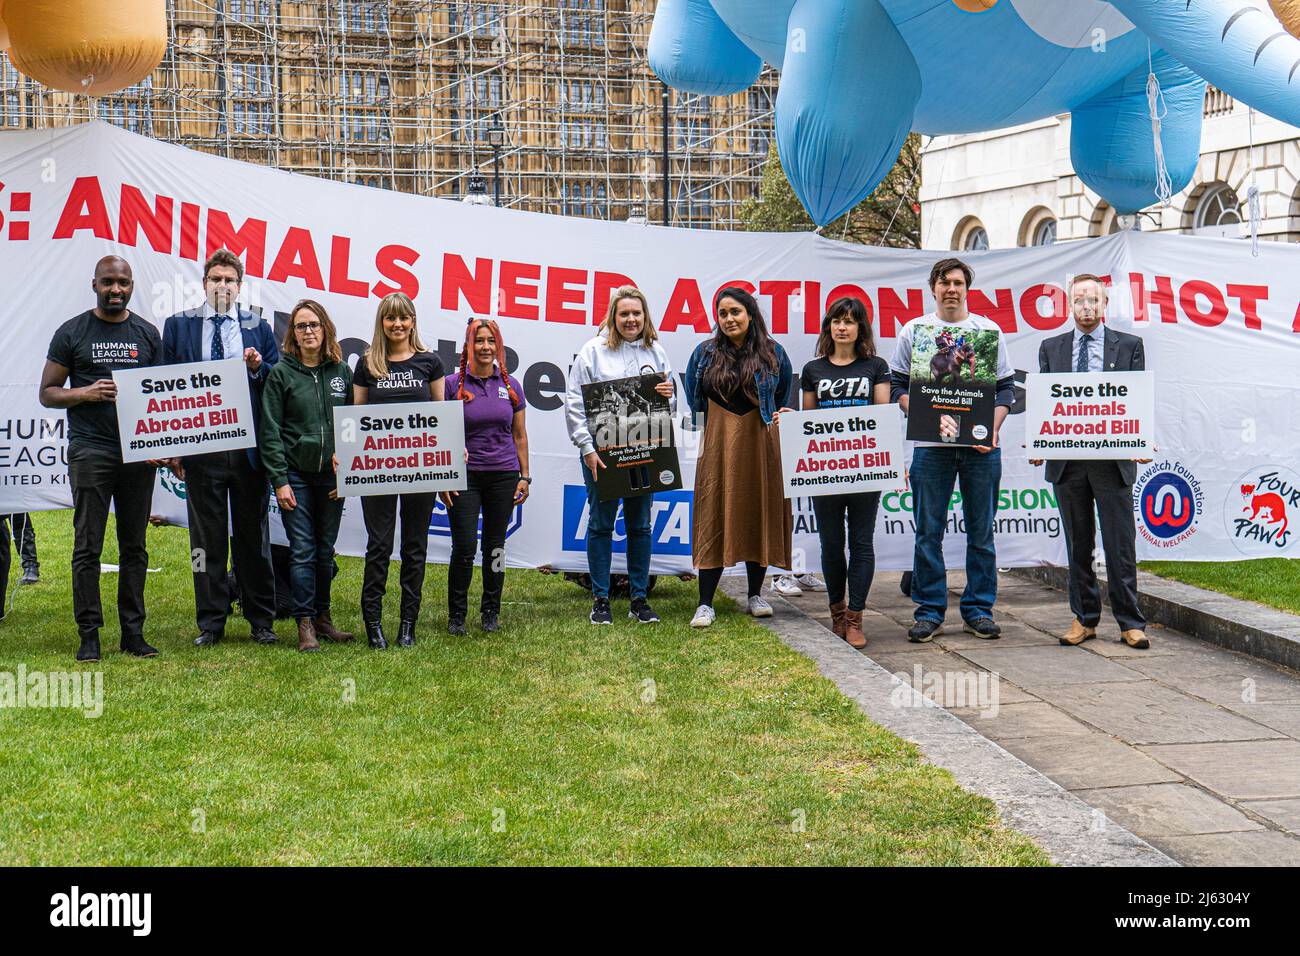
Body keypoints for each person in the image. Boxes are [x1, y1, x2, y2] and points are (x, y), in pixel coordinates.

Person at [39, 256, 164, 662]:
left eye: (123, 283)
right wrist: (85, 393)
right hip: (91, 450)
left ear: (131, 285)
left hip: (137, 455)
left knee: (135, 547)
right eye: (108, 282)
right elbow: (48, 392)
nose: (116, 289)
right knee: (87, 545)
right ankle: (89, 633)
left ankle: (133, 633)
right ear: (94, 284)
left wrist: (160, 446)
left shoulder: (147, 333)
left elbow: (160, 398)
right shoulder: (72, 331)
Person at [890, 258, 1015, 643]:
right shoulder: (915, 331)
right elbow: (897, 387)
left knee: (982, 533)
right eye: (944, 282)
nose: (951, 289)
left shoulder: (987, 330)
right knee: (929, 532)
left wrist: (990, 430)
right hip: (931, 448)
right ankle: (929, 611)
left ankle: (978, 610)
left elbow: (1006, 389)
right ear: (933, 288)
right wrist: (927, 418)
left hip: (981, 449)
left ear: (967, 288)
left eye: (958, 283)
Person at [161, 248, 280, 647]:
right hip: (201, 451)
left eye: (230, 280)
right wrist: (174, 447)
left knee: (253, 538)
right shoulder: (178, 326)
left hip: (248, 452)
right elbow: (167, 388)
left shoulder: (258, 326)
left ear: (240, 286)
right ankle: (211, 622)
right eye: (217, 279)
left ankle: (261, 619)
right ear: (205, 283)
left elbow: (274, 382)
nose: (223, 285)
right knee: (205, 540)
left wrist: (256, 367)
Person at [1031, 274, 1150, 649]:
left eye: (1093, 300)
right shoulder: (1051, 347)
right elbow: (1046, 400)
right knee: (1077, 542)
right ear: (1070, 306)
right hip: (1068, 461)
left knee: (1119, 543)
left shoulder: (1129, 345)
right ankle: (1084, 618)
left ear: (1104, 306)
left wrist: (1140, 436)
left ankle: (1130, 621)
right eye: (1079, 300)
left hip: (1112, 460)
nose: (1087, 306)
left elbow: (1136, 396)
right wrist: (1040, 439)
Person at [684, 286, 794, 627]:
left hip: (761, 441)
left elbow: (780, 397)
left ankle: (755, 594)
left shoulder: (774, 353)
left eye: (735, 312)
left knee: (758, 509)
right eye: (722, 314)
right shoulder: (703, 353)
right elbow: (694, 399)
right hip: (717, 441)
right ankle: (705, 603)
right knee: (714, 509)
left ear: (750, 314)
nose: (729, 319)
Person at [565, 286, 674, 626]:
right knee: (600, 525)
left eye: (636, 313)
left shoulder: (656, 352)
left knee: (640, 525)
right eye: (624, 313)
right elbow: (574, 404)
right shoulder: (592, 351)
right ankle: (600, 599)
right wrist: (586, 447)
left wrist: (669, 396)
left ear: (645, 317)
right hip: (603, 454)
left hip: (644, 451)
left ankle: (639, 599)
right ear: (613, 315)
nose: (631, 319)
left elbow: (669, 407)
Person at [259, 300, 354, 653]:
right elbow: (270, 431)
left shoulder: (342, 372)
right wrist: (279, 480)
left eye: (314, 324)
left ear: (325, 328)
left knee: (325, 552)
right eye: (301, 326)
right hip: (295, 476)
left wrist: (346, 465)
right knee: (302, 549)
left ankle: (324, 618)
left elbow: (352, 425)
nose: (309, 331)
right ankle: (304, 623)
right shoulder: (281, 374)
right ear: (293, 334)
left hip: (332, 476)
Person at [351, 293, 444, 649]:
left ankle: (408, 624)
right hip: (378, 469)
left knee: (414, 546)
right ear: (382, 323)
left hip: (422, 469)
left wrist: (452, 451)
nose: (398, 325)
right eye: (390, 319)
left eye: (403, 318)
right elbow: (357, 418)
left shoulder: (430, 362)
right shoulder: (367, 364)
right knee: (378, 545)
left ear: (412, 322)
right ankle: (373, 623)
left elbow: (440, 414)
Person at [799, 297, 892, 649]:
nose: (842, 327)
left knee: (862, 543)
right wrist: (790, 420)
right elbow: (808, 422)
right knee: (831, 545)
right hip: (825, 471)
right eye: (837, 321)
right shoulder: (813, 369)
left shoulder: (876, 366)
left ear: (860, 328)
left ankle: (855, 618)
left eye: (850, 321)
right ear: (829, 327)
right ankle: (836, 614)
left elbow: (881, 418)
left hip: (865, 468)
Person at [441, 318, 531, 635]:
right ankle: (457, 616)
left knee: (496, 548)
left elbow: (519, 435)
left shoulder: (511, 386)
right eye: (479, 340)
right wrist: (443, 477)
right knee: (464, 548)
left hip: (504, 476)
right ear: (468, 345)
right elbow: (439, 434)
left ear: (498, 346)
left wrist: (525, 476)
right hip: (463, 477)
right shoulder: (452, 385)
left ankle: (491, 611)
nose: (485, 347)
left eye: (491, 341)